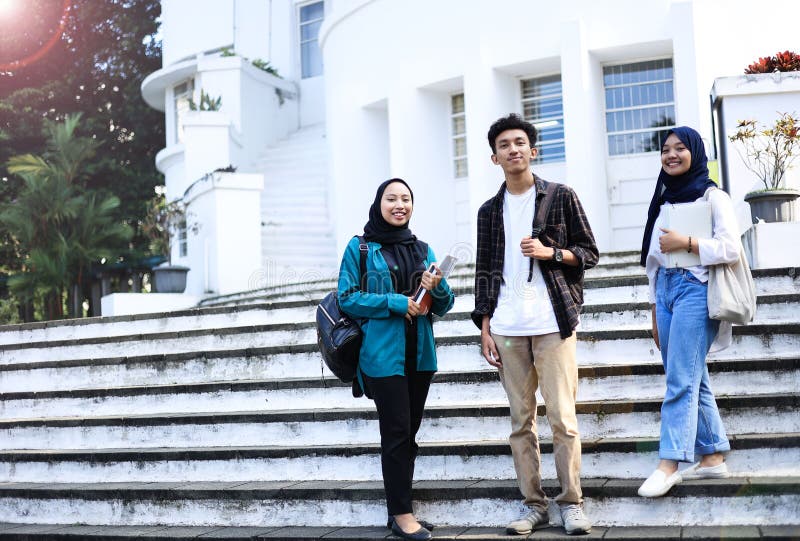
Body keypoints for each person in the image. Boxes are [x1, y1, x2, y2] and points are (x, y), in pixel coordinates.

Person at [472, 114, 598, 535]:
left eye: (520, 142)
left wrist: (551, 253)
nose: (513, 149)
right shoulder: (489, 212)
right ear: (495, 157)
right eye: (504, 144)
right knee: (520, 422)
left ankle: (572, 502)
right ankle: (533, 504)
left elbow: (589, 253)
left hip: (552, 322)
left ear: (533, 150)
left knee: (562, 418)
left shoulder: (560, 196)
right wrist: (485, 326)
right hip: (507, 328)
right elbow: (486, 270)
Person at [338, 178, 455, 541]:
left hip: (419, 356)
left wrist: (438, 287)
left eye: (406, 199)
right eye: (392, 198)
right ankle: (402, 515)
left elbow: (445, 306)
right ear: (379, 203)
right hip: (382, 357)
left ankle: (401, 509)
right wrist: (394, 303)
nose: (399, 204)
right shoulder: (360, 247)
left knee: (410, 435)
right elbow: (347, 297)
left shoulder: (423, 249)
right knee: (397, 432)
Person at [637, 126, 738, 498]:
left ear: (695, 151)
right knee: (693, 375)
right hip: (665, 290)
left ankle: (669, 462)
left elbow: (731, 247)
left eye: (680, 148)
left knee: (680, 378)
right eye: (665, 149)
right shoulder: (662, 201)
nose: (671, 155)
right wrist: (653, 307)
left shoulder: (714, 197)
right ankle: (711, 457)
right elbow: (652, 260)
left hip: (697, 289)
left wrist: (688, 243)